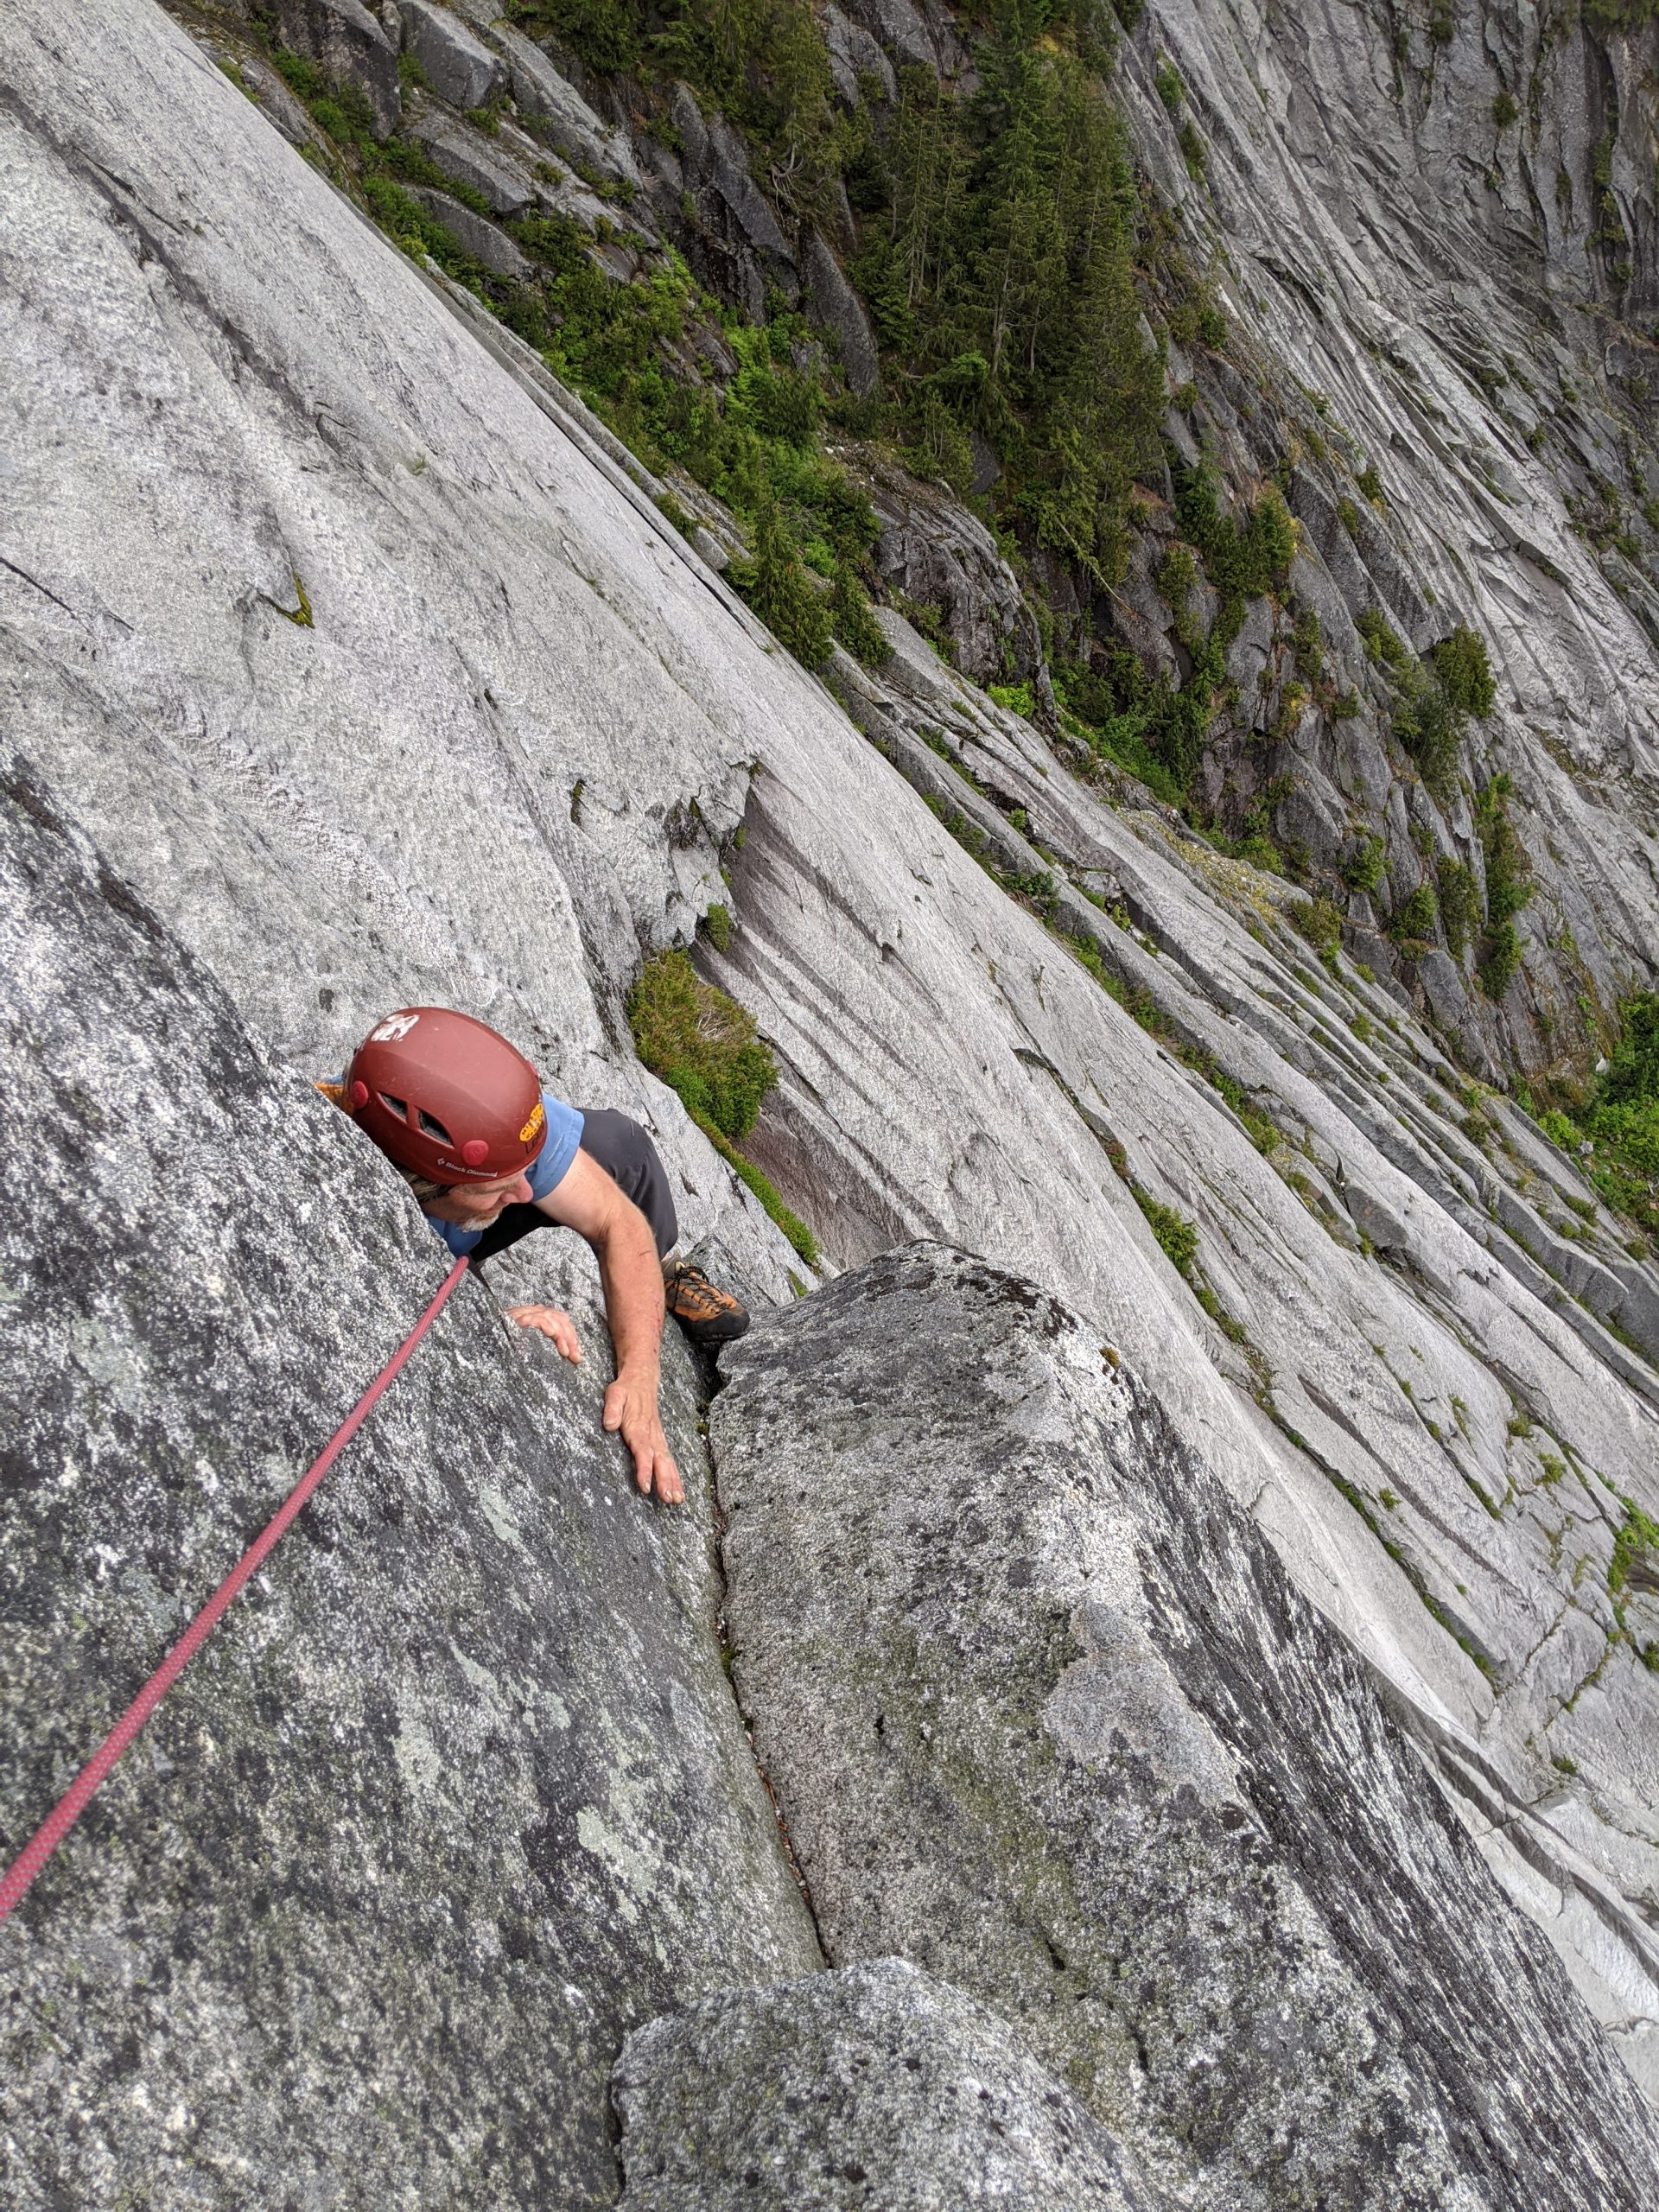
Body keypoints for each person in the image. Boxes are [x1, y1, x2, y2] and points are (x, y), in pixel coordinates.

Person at [320, 1007, 749, 1507]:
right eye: (500, 1187)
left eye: (525, 1172)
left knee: (620, 1149)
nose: (526, 1193)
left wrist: (640, 1375)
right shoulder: (346, 1214)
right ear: (418, 1184)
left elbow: (618, 1220)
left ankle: (662, 1274)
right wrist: (489, 1327)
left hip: (449, 1211)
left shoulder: (477, 1122)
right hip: (418, 1253)